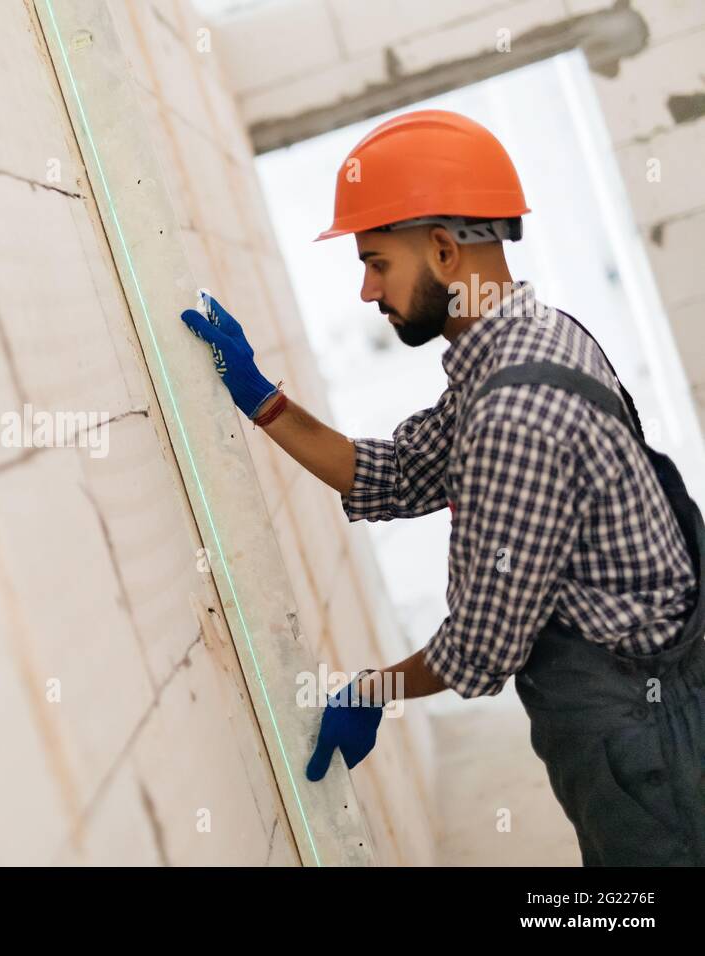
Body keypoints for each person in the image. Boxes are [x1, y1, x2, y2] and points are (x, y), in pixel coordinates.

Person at [180, 109, 705, 866]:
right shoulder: (530, 342)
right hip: (651, 712)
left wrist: (371, 691)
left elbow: (481, 649)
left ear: (444, 251)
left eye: (377, 263)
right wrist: (261, 398)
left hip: (649, 745)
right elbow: (390, 474)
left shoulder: (514, 411)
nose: (366, 290)